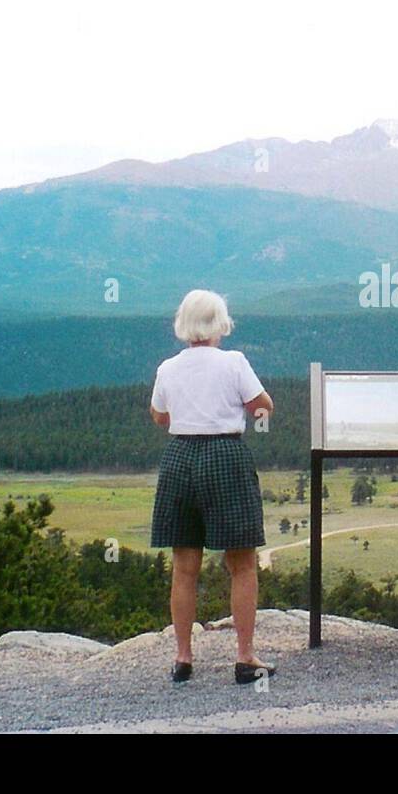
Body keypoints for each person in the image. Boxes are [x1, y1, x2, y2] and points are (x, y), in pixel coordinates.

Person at [148, 289, 276, 685]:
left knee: (185, 567)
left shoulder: (168, 367)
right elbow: (262, 405)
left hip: (179, 458)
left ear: (183, 324)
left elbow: (159, 416)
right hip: (225, 456)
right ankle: (244, 658)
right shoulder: (233, 362)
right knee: (242, 564)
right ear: (219, 324)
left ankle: (183, 658)